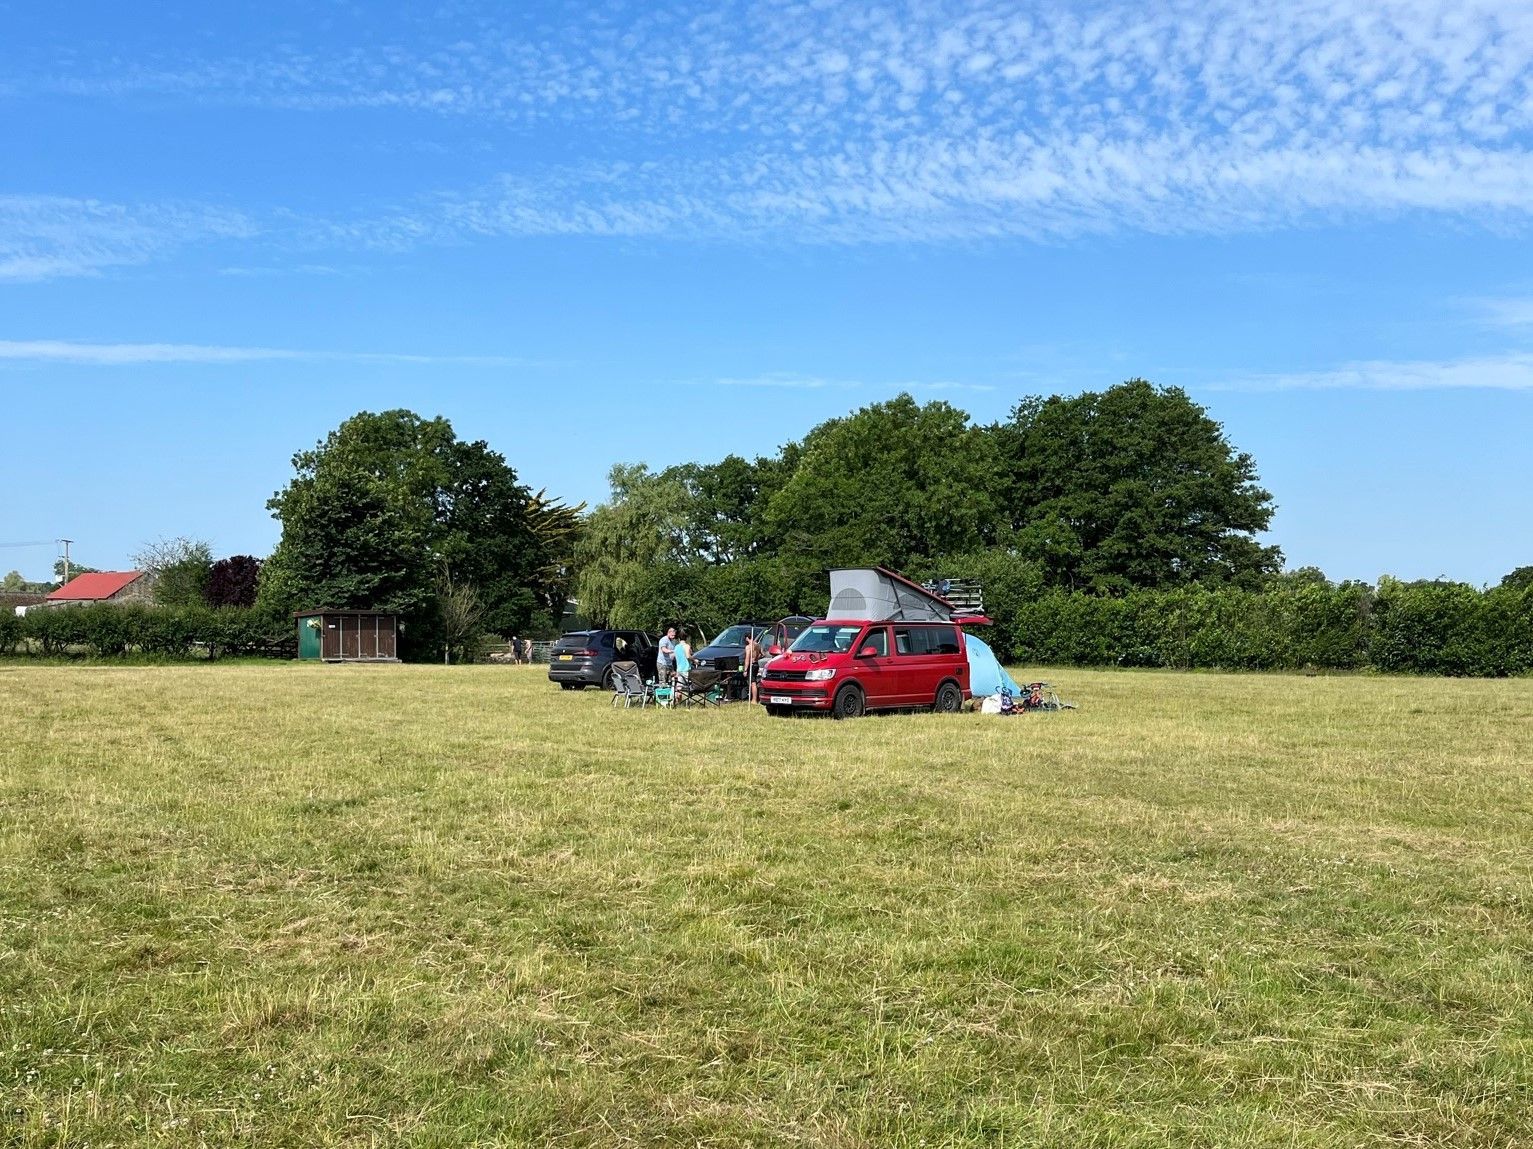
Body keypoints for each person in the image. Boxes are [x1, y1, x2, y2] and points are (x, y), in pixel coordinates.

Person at [743, 630, 763, 703]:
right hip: (756, 664)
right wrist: (756, 658)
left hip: (751, 665)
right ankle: (754, 698)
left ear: (747, 638)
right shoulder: (757, 645)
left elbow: (747, 658)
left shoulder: (748, 647)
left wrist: (745, 670)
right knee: (753, 681)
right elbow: (762, 654)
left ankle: (754, 700)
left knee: (753, 682)